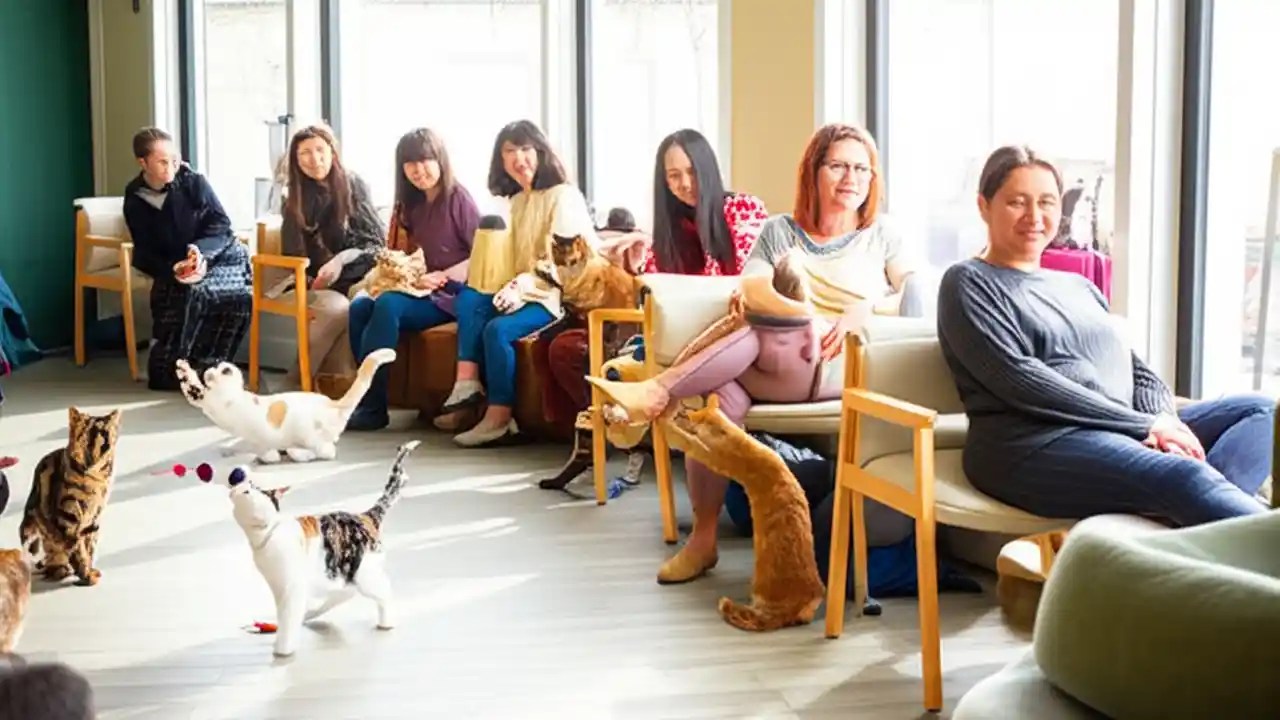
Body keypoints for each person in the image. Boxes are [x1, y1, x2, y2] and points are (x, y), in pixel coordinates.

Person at [588, 123, 921, 584]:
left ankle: (656, 391)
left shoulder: (882, 235)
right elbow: (754, 289)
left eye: (862, 168)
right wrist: (803, 314)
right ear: (814, 172)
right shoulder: (780, 230)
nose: (852, 177)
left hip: (841, 365)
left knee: (754, 333)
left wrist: (862, 310)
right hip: (777, 359)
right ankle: (703, 540)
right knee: (715, 403)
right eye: (839, 166)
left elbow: (914, 289)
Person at [937, 144, 1273, 527]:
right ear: (984, 206)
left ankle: (1206, 522)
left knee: (1264, 411)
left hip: (1118, 431)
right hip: (1032, 446)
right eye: (1017, 202)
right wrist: (1142, 426)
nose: (1034, 216)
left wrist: (1162, 420)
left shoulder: (1079, 286)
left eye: (1047, 202)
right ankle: (1235, 531)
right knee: (1187, 478)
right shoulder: (968, 282)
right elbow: (1021, 381)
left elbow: (1135, 369)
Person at [537, 128, 769, 490]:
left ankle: (642, 416)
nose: (684, 183)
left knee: (628, 366)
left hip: (729, 335)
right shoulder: (666, 230)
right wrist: (633, 265)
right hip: (675, 342)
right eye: (673, 175)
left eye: (691, 171)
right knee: (576, 352)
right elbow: (655, 296)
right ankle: (632, 432)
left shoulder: (744, 209)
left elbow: (737, 285)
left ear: (707, 168)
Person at [433, 120, 598, 447]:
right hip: (525, 290)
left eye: (525, 149)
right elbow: (512, 258)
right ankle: (466, 390)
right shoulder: (518, 202)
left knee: (498, 330)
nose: (518, 158)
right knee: (471, 300)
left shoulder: (563, 196)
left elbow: (565, 262)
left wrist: (520, 286)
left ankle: (499, 417)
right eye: (509, 151)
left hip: (557, 296)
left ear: (541, 152)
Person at [345, 128, 480, 431]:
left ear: (440, 160)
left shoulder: (458, 198)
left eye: (425, 160)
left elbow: (482, 256)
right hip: (428, 291)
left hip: (457, 294)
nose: (419, 170)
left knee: (389, 306)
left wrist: (442, 275)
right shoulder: (414, 205)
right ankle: (368, 400)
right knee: (360, 307)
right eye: (410, 164)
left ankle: (373, 408)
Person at [122, 127, 252, 391]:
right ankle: (179, 370)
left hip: (220, 255)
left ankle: (209, 367)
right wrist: (174, 268)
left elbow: (221, 224)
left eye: (174, 158)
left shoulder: (193, 181)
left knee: (222, 295)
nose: (171, 165)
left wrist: (199, 253)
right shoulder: (135, 197)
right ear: (142, 162)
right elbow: (145, 250)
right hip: (176, 265)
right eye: (162, 161)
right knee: (176, 295)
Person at [278, 123, 385, 388]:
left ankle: (339, 387)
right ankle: (299, 382)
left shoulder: (353, 184)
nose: (314, 159)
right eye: (305, 153)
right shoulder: (294, 195)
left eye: (320, 150)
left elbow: (376, 243)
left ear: (333, 152)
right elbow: (292, 254)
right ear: (295, 159)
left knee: (364, 304)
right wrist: (315, 277)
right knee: (339, 309)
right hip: (313, 281)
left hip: (356, 273)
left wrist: (341, 259)